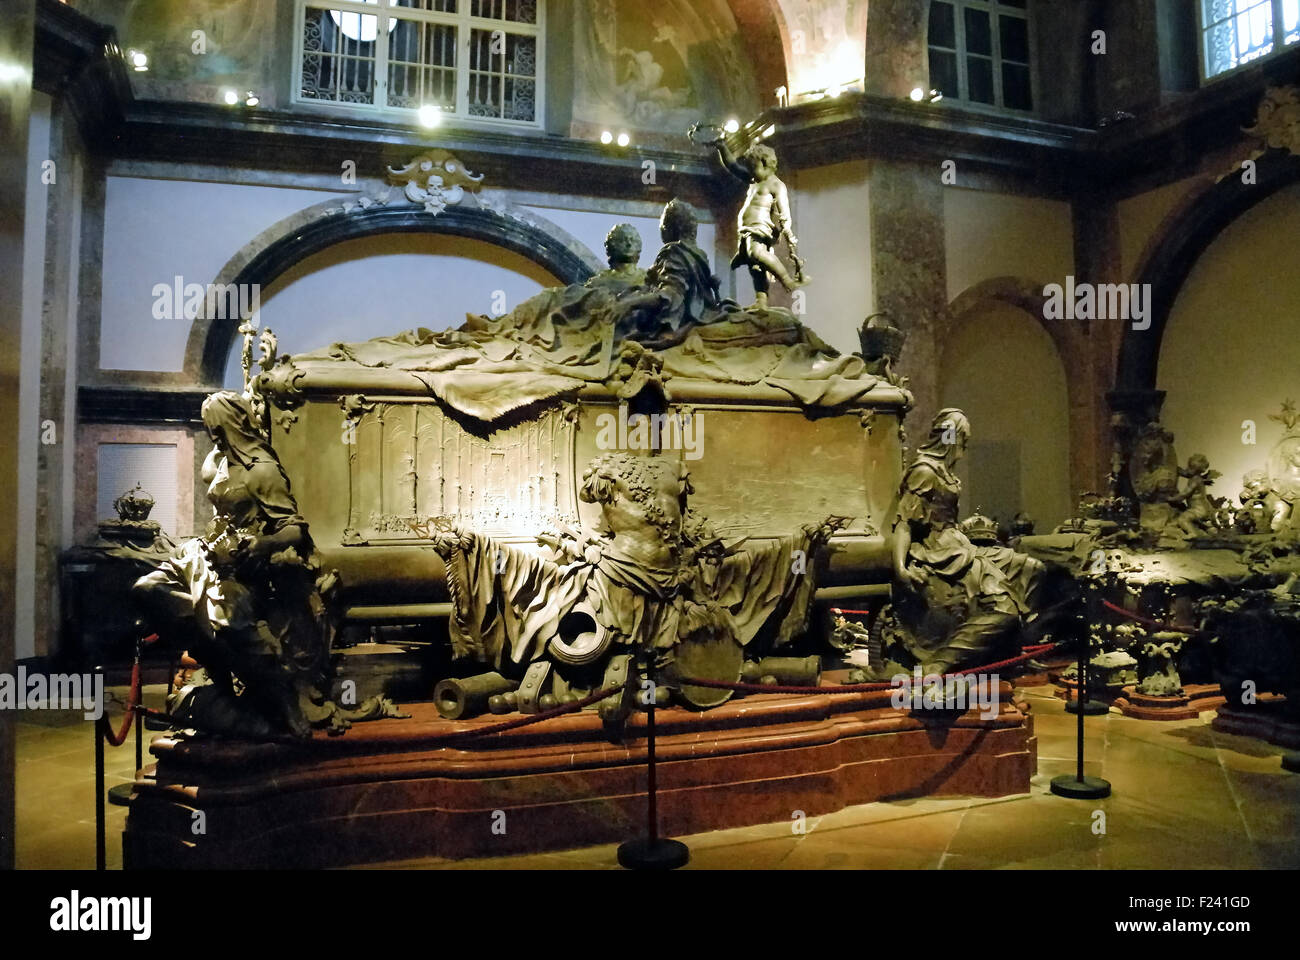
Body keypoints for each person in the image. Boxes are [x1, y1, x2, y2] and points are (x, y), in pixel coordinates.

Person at [133, 391, 399, 737]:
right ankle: (212, 649)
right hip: (206, 551)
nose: (212, 432)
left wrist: (263, 545)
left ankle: (279, 697)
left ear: (231, 422)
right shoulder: (217, 459)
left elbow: (295, 529)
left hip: (248, 564)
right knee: (147, 590)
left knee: (228, 617)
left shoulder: (262, 469)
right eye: (207, 425)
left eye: (216, 424)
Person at [891, 409, 1043, 673]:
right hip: (938, 550)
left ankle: (1013, 651)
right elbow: (904, 522)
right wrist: (901, 568)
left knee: (1032, 569)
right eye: (963, 438)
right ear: (950, 438)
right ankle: (939, 664)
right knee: (1003, 606)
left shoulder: (946, 471)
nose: (965, 445)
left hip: (959, 543)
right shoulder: (925, 471)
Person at [711, 139, 809, 306]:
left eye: (753, 167)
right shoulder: (753, 180)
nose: (751, 172)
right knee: (755, 266)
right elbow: (732, 166)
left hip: (760, 227)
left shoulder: (776, 185)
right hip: (746, 229)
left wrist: (787, 228)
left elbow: (784, 210)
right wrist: (722, 147)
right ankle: (761, 300)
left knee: (756, 253)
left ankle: (787, 280)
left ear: (765, 163)